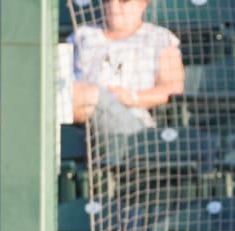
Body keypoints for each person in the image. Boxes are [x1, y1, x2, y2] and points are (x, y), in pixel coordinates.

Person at [70, 0, 185, 135]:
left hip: (129, 118)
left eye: (123, 1)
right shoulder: (83, 35)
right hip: (78, 112)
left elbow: (173, 89)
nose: (113, 6)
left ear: (142, 4)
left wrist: (133, 97)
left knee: (86, 93)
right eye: (107, 1)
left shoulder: (159, 38)